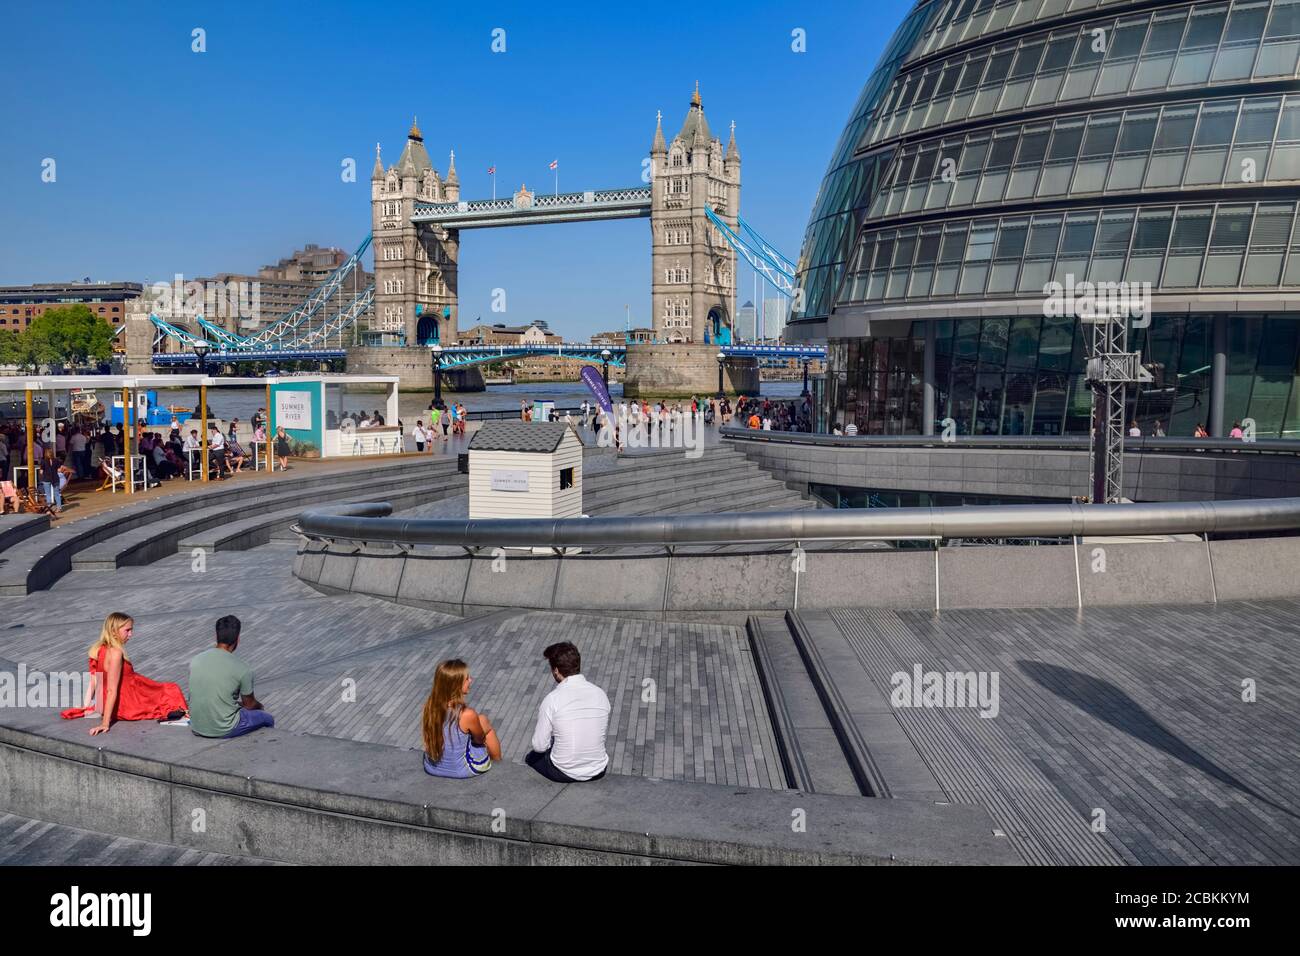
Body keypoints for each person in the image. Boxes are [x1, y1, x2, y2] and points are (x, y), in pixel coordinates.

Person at [60, 612, 188, 733]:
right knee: (171, 689)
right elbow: (111, 690)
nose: (131, 634)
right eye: (127, 630)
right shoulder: (116, 653)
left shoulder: (98, 649)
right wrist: (105, 723)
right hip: (128, 703)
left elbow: (95, 680)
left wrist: (88, 705)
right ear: (114, 631)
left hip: (119, 700)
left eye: (131, 630)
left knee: (166, 690)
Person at [525, 642, 610, 783]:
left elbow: (539, 746)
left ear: (556, 670)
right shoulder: (600, 693)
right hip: (598, 769)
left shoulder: (552, 699)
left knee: (533, 756)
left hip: (564, 772)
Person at [188, 615, 274, 739]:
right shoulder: (243, 668)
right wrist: (260, 707)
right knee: (267, 718)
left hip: (197, 726)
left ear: (216, 637)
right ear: (238, 639)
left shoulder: (196, 659)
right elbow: (249, 705)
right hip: (224, 729)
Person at [420, 659, 501, 778]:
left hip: (431, 766)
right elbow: (479, 740)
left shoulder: (429, 706)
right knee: (484, 722)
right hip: (462, 769)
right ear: (456, 685)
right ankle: (499, 764)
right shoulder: (467, 714)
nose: (471, 680)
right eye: (467, 679)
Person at [38, 448, 64, 517]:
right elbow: (59, 470)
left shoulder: (43, 461)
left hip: (46, 479)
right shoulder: (56, 460)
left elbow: (41, 472)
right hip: (55, 478)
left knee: (48, 494)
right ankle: (59, 508)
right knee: (57, 494)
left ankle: (49, 509)